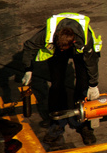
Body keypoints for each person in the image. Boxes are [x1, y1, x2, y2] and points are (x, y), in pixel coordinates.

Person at [22, 12, 102, 146]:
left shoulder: (85, 39)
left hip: (80, 50)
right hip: (59, 49)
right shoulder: (49, 34)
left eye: (65, 48)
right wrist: (28, 69)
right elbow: (29, 46)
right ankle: (57, 124)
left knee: (83, 85)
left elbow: (91, 63)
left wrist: (93, 84)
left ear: (73, 41)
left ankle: (84, 125)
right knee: (57, 85)